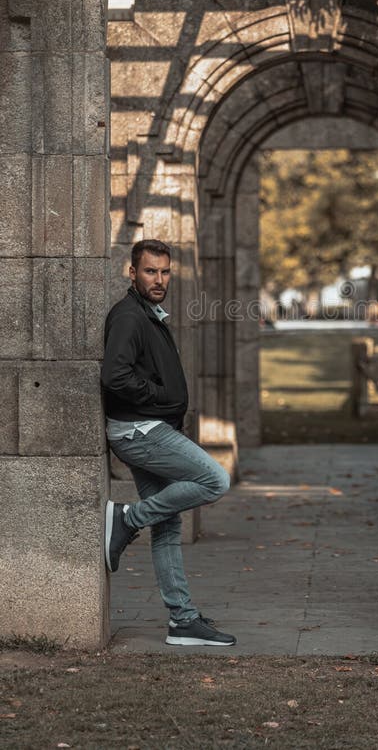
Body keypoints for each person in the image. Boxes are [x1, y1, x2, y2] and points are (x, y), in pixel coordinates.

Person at [101, 238, 236, 647]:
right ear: (132, 273)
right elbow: (115, 376)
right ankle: (126, 519)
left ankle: (182, 620)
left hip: (148, 429)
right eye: (150, 271)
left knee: (168, 526)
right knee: (216, 480)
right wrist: (160, 400)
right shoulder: (129, 316)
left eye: (164, 272)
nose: (159, 279)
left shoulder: (148, 313)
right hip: (141, 432)